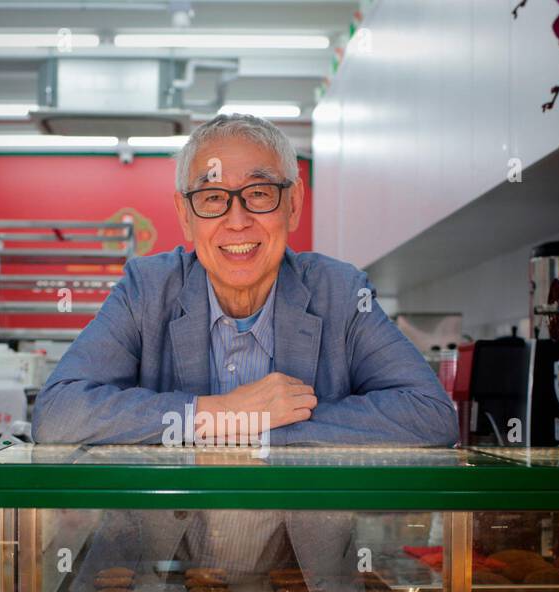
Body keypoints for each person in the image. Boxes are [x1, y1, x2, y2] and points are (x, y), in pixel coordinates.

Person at [32, 113, 458, 447]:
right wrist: (218, 414)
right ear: (185, 216)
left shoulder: (340, 293)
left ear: (293, 204)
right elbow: (57, 415)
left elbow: (430, 416)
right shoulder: (146, 289)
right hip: (161, 556)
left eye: (259, 194)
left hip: (300, 558)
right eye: (213, 197)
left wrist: (264, 424)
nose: (237, 222)